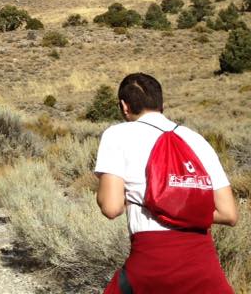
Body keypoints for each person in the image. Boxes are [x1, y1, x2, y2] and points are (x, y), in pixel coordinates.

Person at [94, 72, 238, 294]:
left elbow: (111, 208)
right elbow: (229, 213)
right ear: (161, 104)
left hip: (152, 261)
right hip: (203, 262)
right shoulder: (197, 140)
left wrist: (156, 204)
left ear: (124, 106)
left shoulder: (117, 135)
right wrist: (181, 207)